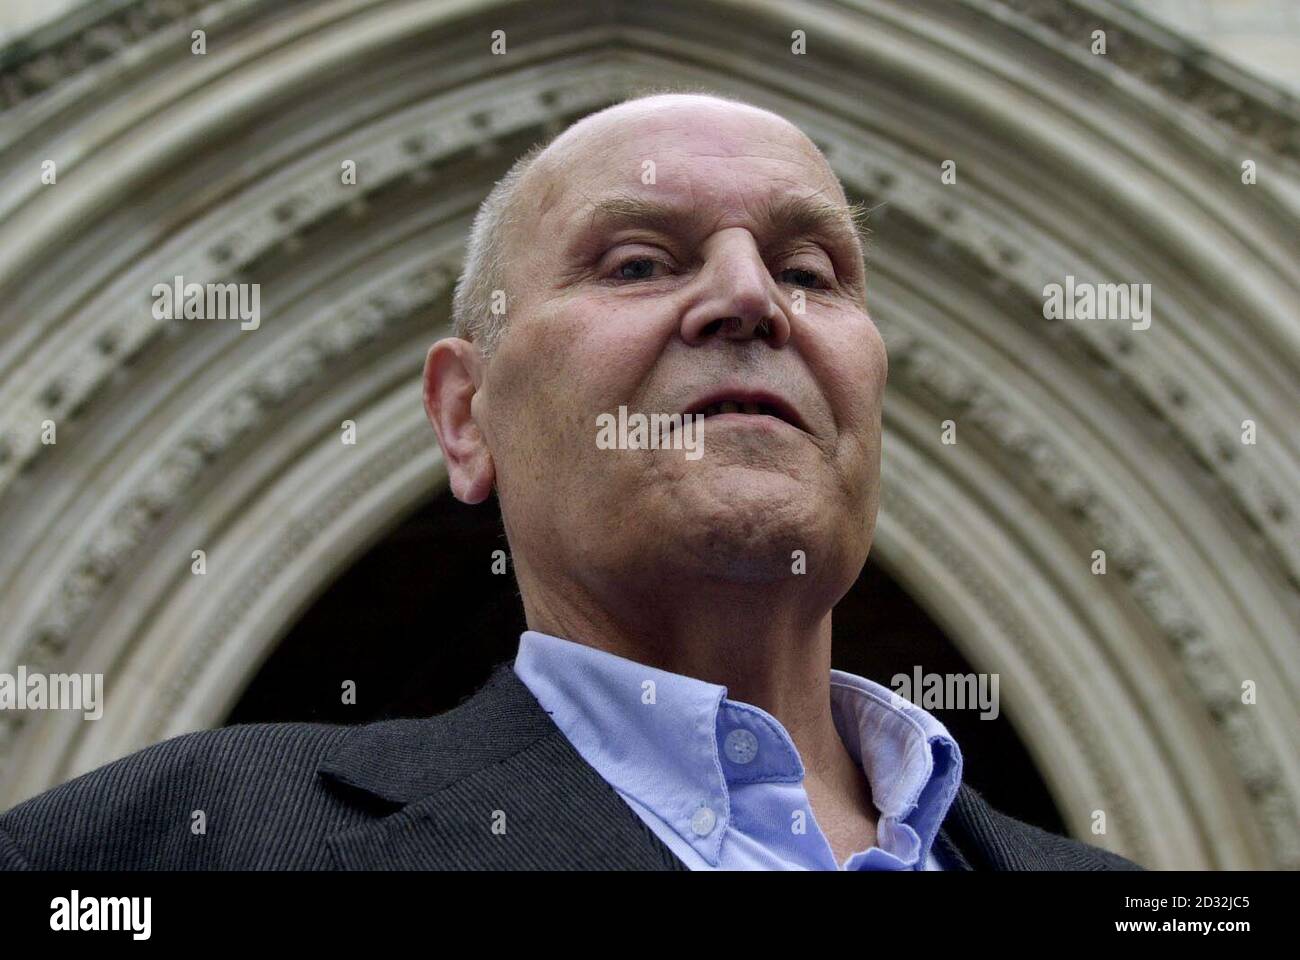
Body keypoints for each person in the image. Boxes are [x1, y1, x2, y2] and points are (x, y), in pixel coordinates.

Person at [0, 90, 1140, 871]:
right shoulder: (168, 849)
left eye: (811, 270)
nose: (753, 298)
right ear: (465, 416)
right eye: (637, 262)